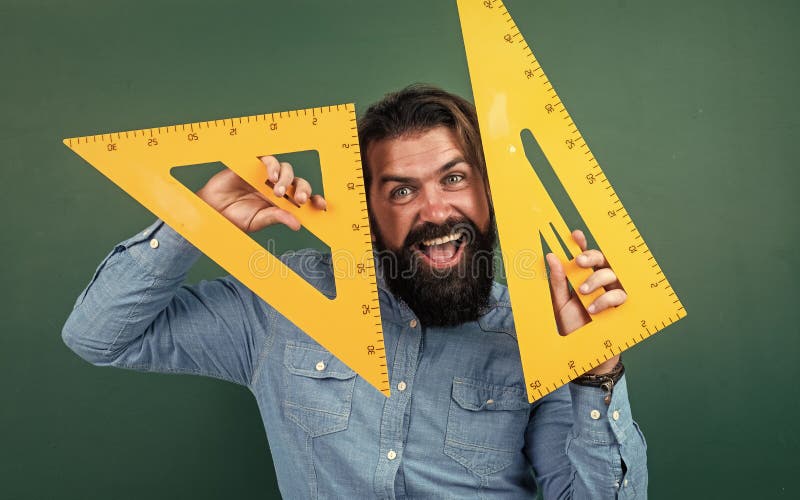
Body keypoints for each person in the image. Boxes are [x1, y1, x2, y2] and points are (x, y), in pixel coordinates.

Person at [62, 84, 647, 499]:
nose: (435, 211)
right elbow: (98, 336)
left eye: (454, 178)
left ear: (490, 192)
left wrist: (596, 373)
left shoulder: (539, 333)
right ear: (367, 208)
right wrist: (193, 223)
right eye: (400, 192)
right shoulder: (281, 303)